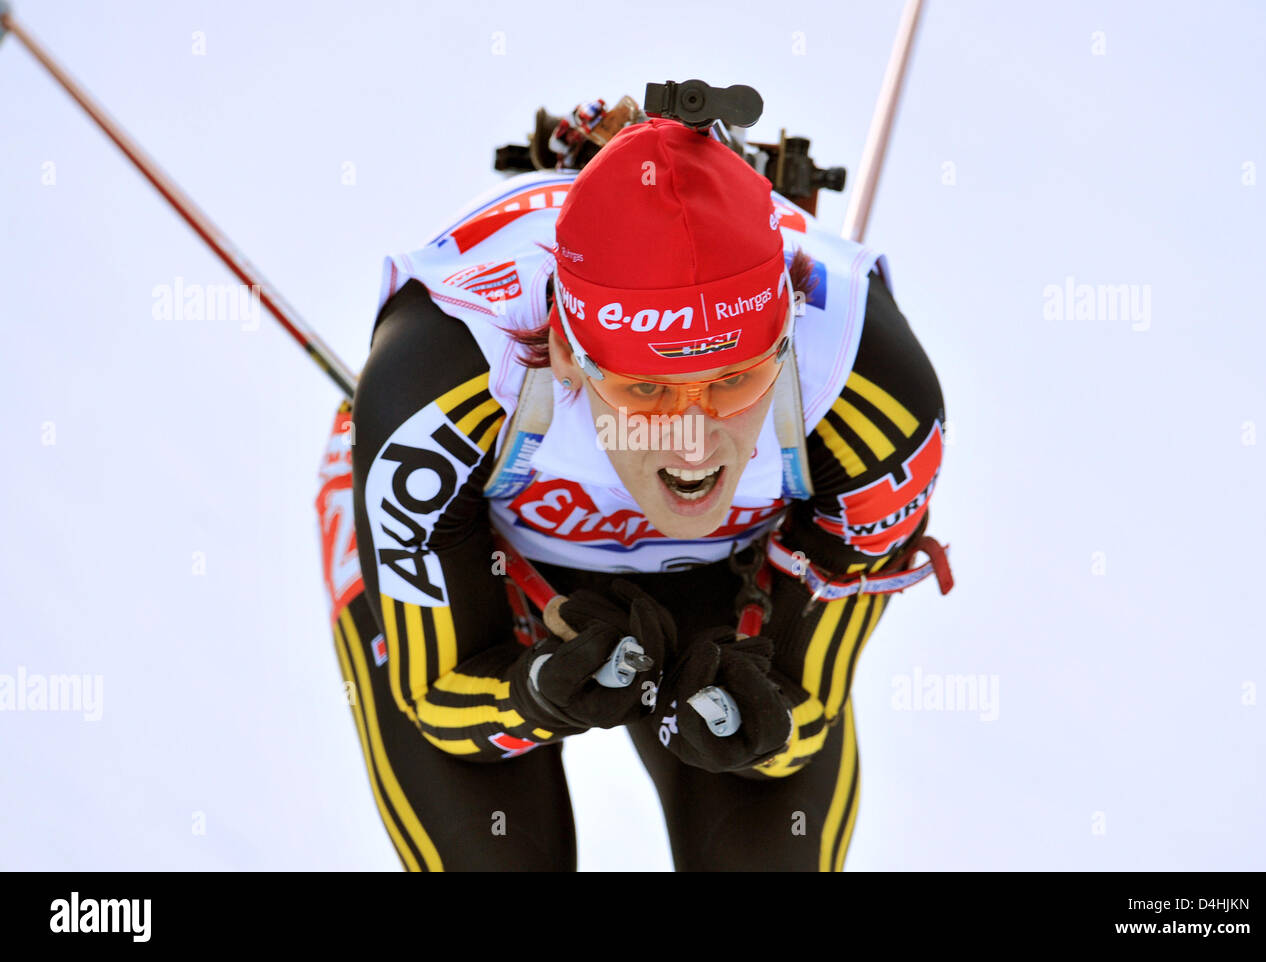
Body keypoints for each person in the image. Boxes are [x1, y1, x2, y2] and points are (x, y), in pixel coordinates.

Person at [313, 115, 950, 871]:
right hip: (491, 573)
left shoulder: (871, 397)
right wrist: (536, 693)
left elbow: (801, 717)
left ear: (787, 346)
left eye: (735, 381)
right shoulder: (440, 390)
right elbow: (437, 701)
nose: (690, 442)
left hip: (732, 585)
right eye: (646, 389)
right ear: (566, 356)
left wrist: (749, 714)